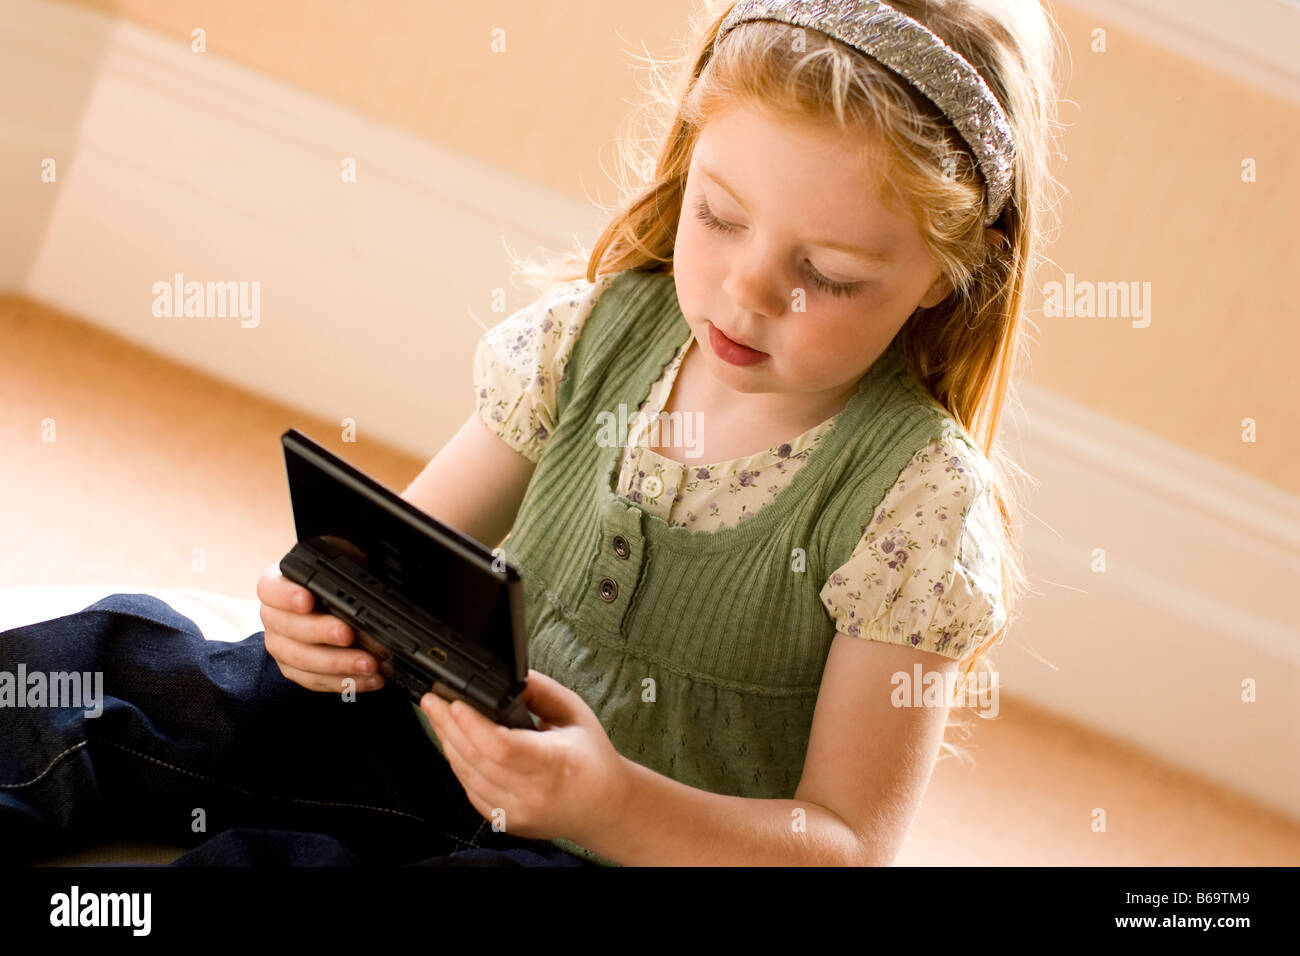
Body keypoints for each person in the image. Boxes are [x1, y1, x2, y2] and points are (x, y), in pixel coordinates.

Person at [0, 0, 1063, 866]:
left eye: (826, 275)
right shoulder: (591, 336)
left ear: (947, 278)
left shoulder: (917, 503)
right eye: (720, 215)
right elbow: (403, 555)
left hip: (622, 856)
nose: (745, 292)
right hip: (422, 737)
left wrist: (607, 805)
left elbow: (843, 844)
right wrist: (320, 608)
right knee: (108, 669)